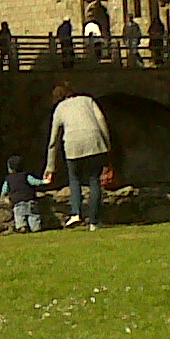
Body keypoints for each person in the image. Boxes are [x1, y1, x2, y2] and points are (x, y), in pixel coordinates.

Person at [45, 82, 112, 231]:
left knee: (74, 179)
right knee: (94, 180)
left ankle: (76, 213)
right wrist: (107, 146)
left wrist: (50, 167)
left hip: (73, 145)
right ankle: (94, 222)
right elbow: (102, 122)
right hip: (94, 142)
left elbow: (53, 140)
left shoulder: (60, 109)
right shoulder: (88, 100)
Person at [1, 154, 49, 232]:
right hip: (30, 200)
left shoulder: (9, 179)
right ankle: (35, 227)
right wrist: (44, 181)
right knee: (33, 215)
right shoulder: (26, 176)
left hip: (17, 202)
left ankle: (22, 227)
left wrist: (3, 197)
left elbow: (4, 190)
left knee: (19, 216)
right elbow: (35, 182)